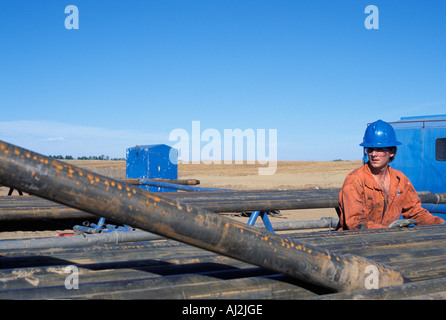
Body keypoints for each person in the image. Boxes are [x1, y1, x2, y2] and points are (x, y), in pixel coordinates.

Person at [337, 119, 444, 230]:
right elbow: (355, 223)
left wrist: (439, 223)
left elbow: (416, 212)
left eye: (379, 149)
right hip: (355, 242)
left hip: (387, 239)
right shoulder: (355, 180)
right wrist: (387, 230)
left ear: (392, 151)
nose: (374, 154)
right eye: (370, 149)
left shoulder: (400, 180)